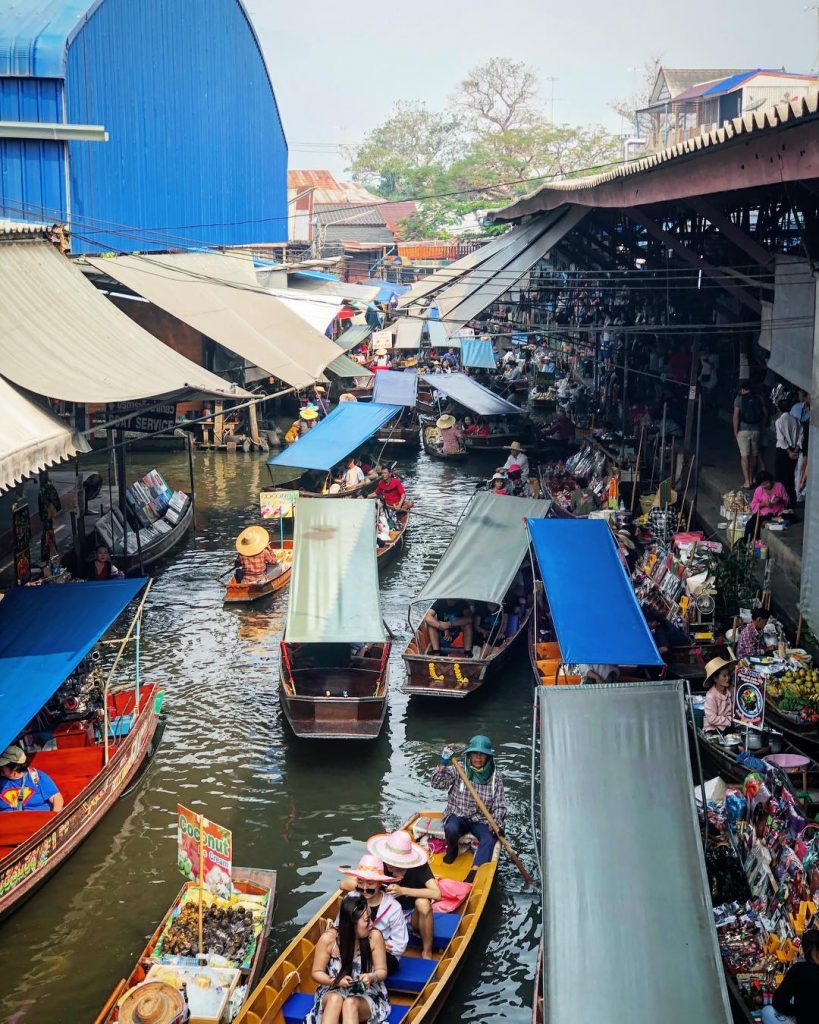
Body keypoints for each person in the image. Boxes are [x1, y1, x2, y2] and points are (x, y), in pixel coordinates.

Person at [308, 893, 390, 1024]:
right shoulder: (328, 939)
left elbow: (382, 971)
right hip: (333, 988)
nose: (371, 924)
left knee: (350, 1003)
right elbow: (316, 972)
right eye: (367, 920)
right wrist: (336, 981)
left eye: (370, 918)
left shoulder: (374, 937)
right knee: (335, 1000)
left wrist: (372, 977)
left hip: (366, 993)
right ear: (352, 924)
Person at [431, 735, 506, 866]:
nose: (478, 758)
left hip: (481, 819)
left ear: (488, 757)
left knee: (490, 838)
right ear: (469, 755)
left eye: (482, 754)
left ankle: (476, 869)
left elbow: (500, 806)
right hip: (458, 815)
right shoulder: (459, 769)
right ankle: (452, 851)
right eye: (475, 754)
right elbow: (436, 784)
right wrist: (443, 763)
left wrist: (495, 820)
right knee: (451, 828)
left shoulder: (495, 777)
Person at [367, 830, 441, 961]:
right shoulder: (378, 863)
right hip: (385, 913)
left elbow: (436, 893)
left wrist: (403, 891)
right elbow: (346, 884)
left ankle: (427, 951)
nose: (389, 864)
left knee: (423, 903)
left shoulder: (419, 866)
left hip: (411, 915)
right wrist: (376, 887)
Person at [338, 855, 407, 975]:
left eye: (370, 883)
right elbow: (339, 928)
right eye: (360, 882)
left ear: (380, 883)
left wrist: (378, 945)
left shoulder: (394, 907)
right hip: (352, 949)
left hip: (384, 955)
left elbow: (399, 945)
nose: (364, 889)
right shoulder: (350, 899)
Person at [761, 927, 819, 1024]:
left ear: (803, 950)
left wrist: (798, 1011)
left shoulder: (799, 969)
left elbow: (779, 1002)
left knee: (767, 1011)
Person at [0, 745, 64, 812]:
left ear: (15, 767)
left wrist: (54, 815)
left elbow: (56, 798)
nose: (0, 768)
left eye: (3, 765)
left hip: (38, 817)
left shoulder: (36, 776)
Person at [733, 382, 766, 488]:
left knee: (744, 456)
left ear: (743, 389)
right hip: (756, 430)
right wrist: (762, 427)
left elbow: (736, 416)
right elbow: (765, 413)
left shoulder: (739, 399)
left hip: (743, 430)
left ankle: (747, 482)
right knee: (754, 456)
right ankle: (752, 478)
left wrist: (735, 431)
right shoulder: (759, 398)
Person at [744, 470, 790, 543]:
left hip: (779, 513)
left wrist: (779, 499)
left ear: (770, 480)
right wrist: (764, 504)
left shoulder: (779, 486)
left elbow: (786, 500)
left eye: (767, 483)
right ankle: (748, 542)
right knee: (750, 524)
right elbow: (753, 505)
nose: (766, 485)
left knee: (789, 518)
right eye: (763, 484)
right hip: (763, 515)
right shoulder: (758, 490)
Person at [774, 399, 802, 507]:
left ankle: (782, 500)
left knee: (780, 476)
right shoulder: (796, 420)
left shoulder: (779, 421)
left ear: (778, 408)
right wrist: (795, 450)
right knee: (790, 475)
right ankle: (792, 499)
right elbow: (801, 436)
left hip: (783, 451)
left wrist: (789, 452)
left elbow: (781, 439)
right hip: (794, 449)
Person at [702, 657, 736, 732]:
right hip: (713, 730)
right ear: (715, 679)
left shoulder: (730, 690)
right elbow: (711, 719)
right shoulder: (711, 696)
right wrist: (730, 719)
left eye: (728, 675)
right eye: (724, 676)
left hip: (728, 727)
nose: (728, 678)